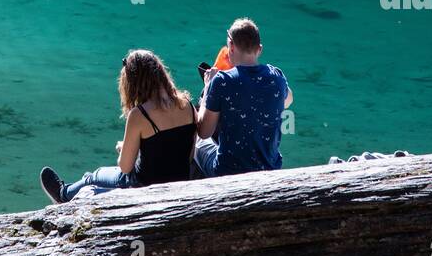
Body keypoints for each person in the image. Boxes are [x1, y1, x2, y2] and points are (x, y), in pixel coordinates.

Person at [40, 49, 196, 203]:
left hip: (143, 187)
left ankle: (62, 195)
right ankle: (81, 184)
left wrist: (124, 150)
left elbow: (125, 168)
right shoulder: (187, 104)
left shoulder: (140, 114)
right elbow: (188, 155)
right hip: (179, 183)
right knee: (97, 176)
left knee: (95, 176)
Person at [195, 18, 292, 177]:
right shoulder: (277, 77)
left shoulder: (222, 81)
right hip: (269, 169)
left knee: (197, 142)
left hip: (227, 171)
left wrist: (208, 86)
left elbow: (204, 132)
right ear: (259, 49)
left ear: (231, 47)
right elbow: (288, 100)